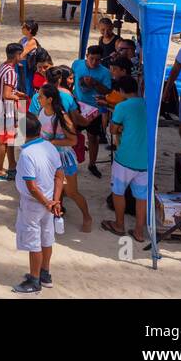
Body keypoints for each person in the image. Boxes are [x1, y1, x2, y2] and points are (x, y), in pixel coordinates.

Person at [12, 112, 64, 294]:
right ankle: (45, 274)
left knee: (34, 241)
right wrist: (55, 201)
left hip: (34, 204)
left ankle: (34, 280)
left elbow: (32, 187)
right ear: (40, 129)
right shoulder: (50, 147)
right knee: (47, 238)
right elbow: (59, 175)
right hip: (49, 201)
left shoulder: (26, 154)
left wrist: (47, 202)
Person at [35, 83, 93, 232]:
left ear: (49, 99)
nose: (37, 98)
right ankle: (56, 214)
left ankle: (87, 217)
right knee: (54, 189)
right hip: (48, 157)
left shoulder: (62, 117)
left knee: (72, 192)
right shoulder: (42, 111)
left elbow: (73, 140)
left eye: (40, 96)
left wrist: (52, 142)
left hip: (64, 159)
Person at [104, 76, 149, 242]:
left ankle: (119, 224)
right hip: (145, 159)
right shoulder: (149, 104)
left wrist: (120, 127)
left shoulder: (122, 106)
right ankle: (139, 231)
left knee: (118, 191)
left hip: (125, 158)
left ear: (121, 91)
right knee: (141, 196)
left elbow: (113, 130)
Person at [72, 46, 112, 177]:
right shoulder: (77, 64)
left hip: (94, 110)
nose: (94, 62)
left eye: (98, 60)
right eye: (91, 58)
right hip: (76, 107)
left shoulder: (105, 72)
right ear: (86, 56)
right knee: (73, 135)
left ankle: (92, 164)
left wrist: (95, 83)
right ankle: (71, 162)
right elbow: (70, 78)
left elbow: (107, 92)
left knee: (93, 137)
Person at [0, 43, 27, 180]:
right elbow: (7, 94)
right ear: (17, 55)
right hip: (7, 110)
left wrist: (17, 92)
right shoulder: (11, 72)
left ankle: (12, 165)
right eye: (21, 54)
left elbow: (6, 89)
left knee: (10, 139)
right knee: (4, 141)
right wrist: (20, 97)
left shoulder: (2, 66)